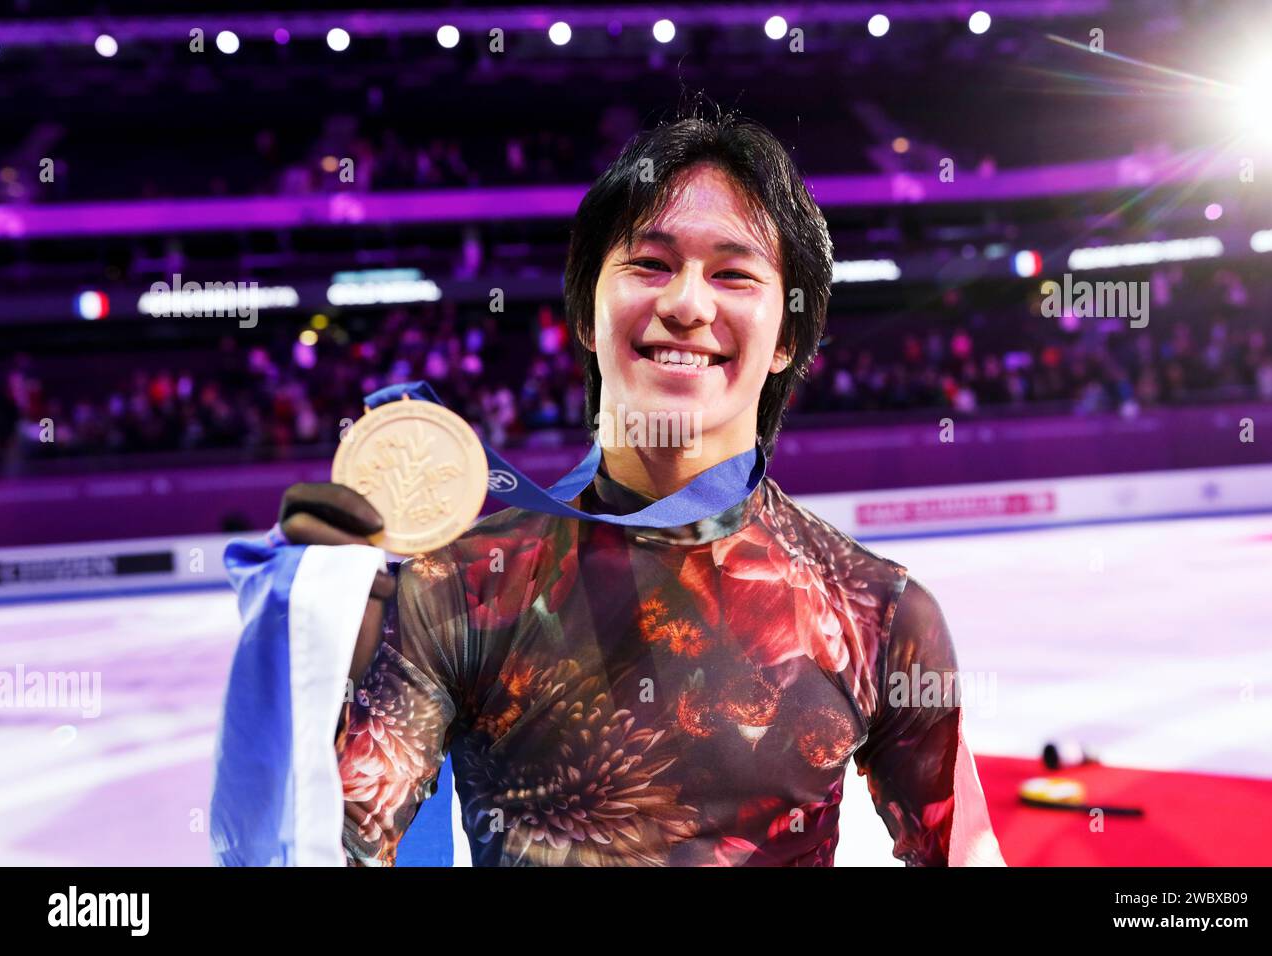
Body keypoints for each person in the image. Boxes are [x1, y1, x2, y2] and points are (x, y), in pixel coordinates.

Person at [247, 108, 1005, 867]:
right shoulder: (456, 588)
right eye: (650, 264)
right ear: (586, 312)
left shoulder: (876, 611)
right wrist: (298, 678)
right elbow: (319, 852)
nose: (686, 304)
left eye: (734, 273)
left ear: (787, 339)